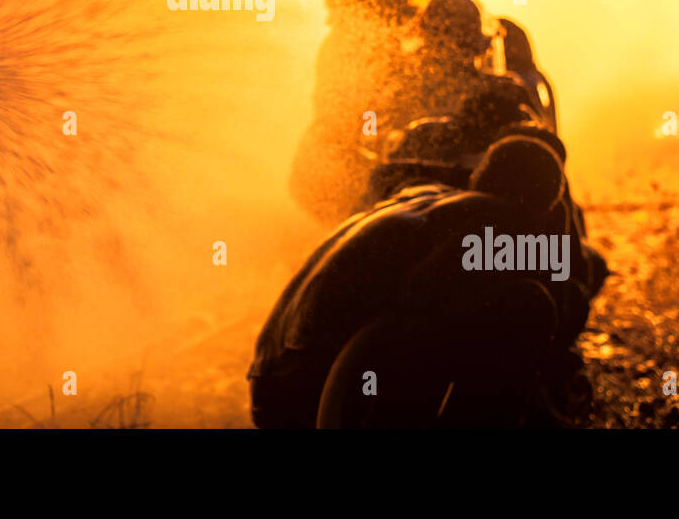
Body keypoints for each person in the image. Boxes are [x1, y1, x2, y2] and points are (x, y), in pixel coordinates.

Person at [250, 115, 608, 429]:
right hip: (309, 392)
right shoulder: (496, 217)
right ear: (538, 205)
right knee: (530, 305)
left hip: (272, 387)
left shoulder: (423, 196)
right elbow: (422, 298)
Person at [289, 0, 430, 224]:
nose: (384, 1)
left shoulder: (423, 40)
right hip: (351, 174)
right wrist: (373, 140)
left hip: (417, 166)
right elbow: (336, 115)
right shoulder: (342, 47)